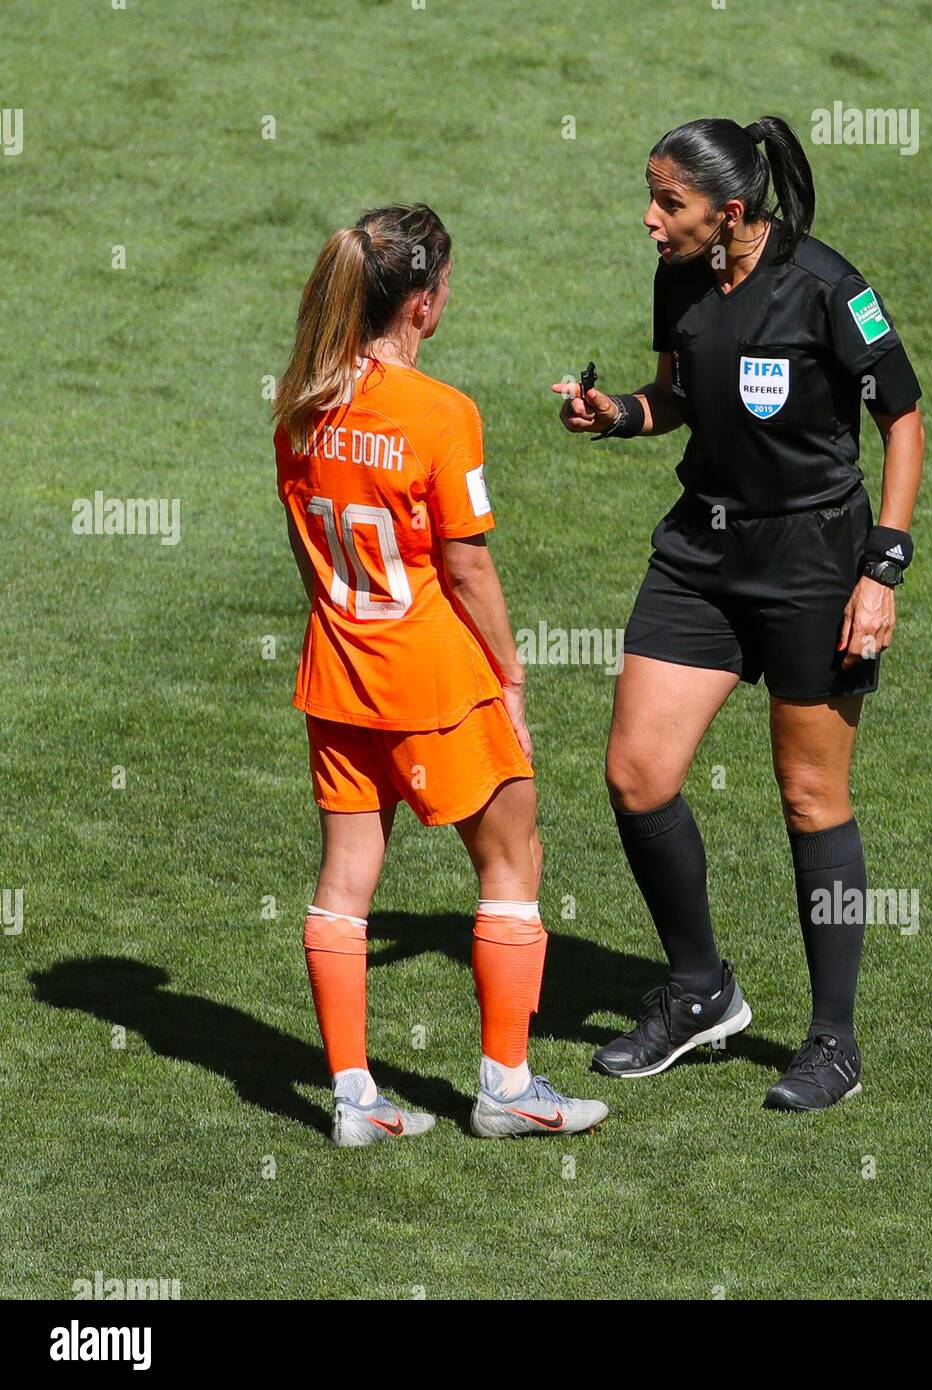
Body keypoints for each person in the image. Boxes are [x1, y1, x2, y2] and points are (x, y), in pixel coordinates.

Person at [551, 118, 925, 1110]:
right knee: (636, 774)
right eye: (650, 194)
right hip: (700, 555)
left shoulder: (829, 288)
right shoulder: (682, 275)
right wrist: (620, 414)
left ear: (730, 210)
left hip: (812, 560)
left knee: (810, 796)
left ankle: (833, 1042)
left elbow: (904, 417)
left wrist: (881, 567)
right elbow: (678, 394)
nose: (648, 218)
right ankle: (699, 989)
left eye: (666, 202)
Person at [274, 203, 607, 1143]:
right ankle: (505, 1086)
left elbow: (310, 560)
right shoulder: (441, 413)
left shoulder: (299, 406)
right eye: (445, 286)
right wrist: (510, 675)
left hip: (335, 672)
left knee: (345, 881)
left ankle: (352, 1100)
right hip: (430, 678)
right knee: (513, 858)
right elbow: (466, 566)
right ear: (420, 304)